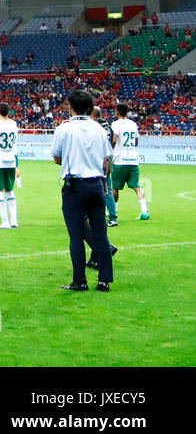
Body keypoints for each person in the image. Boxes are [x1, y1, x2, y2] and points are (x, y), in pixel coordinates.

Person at [50, 90, 114, 291]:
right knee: (101, 234)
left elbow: (57, 158)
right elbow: (106, 160)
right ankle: (104, 280)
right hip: (96, 184)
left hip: (75, 186)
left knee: (76, 236)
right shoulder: (99, 129)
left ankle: (80, 281)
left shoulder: (64, 129)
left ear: (70, 106)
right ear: (89, 107)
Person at [109, 103, 149, 221]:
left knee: (115, 187)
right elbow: (136, 142)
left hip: (119, 160)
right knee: (137, 187)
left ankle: (114, 212)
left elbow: (114, 139)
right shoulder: (133, 124)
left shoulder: (116, 124)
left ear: (117, 112)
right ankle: (145, 211)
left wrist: (110, 150)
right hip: (133, 160)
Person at [90, 107, 119, 226]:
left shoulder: (93, 126)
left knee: (90, 186)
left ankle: (89, 216)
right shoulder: (108, 127)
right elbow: (114, 141)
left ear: (91, 115)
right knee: (108, 188)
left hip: (96, 159)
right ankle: (113, 218)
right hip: (108, 158)